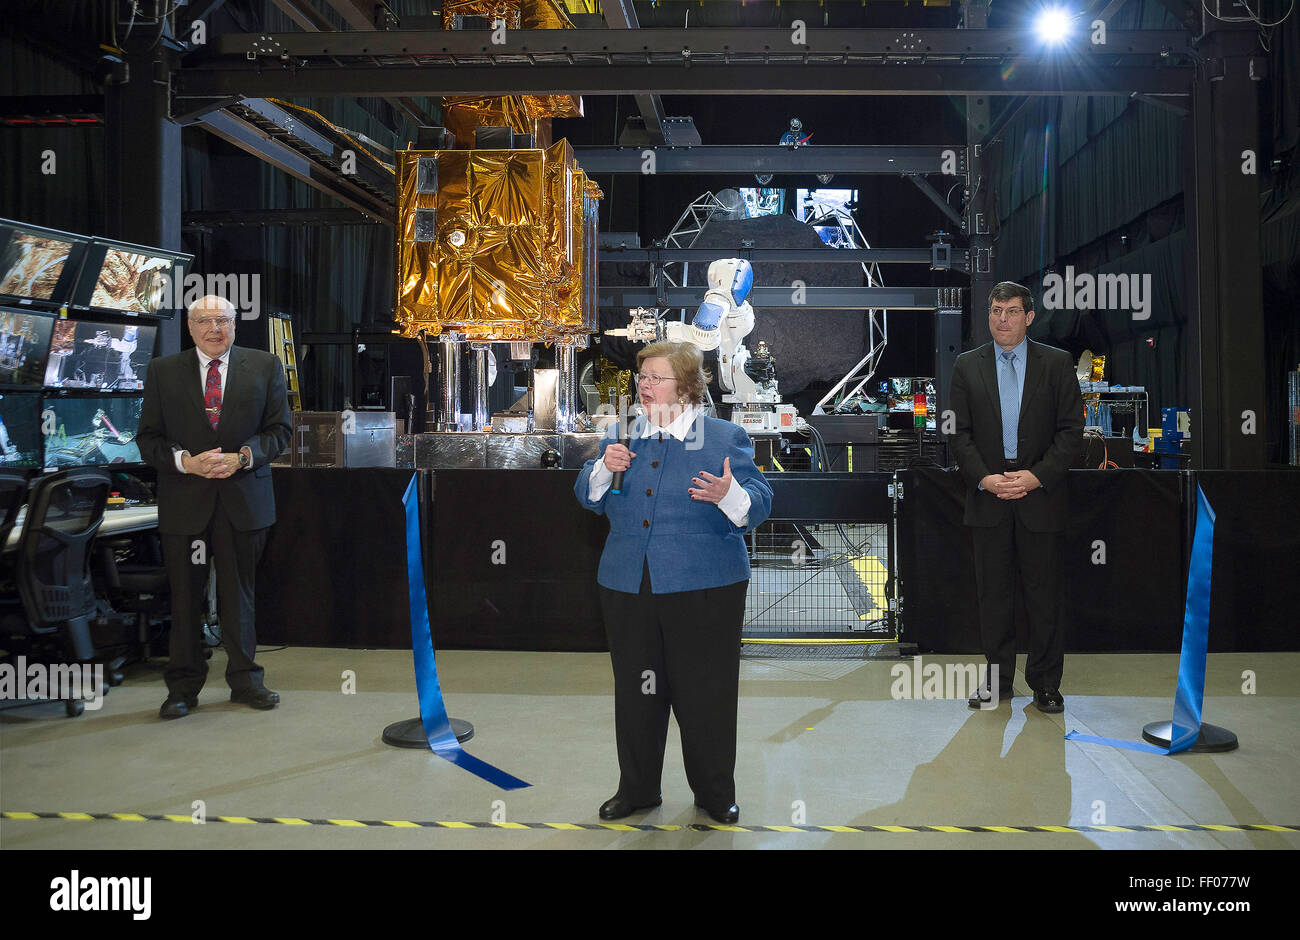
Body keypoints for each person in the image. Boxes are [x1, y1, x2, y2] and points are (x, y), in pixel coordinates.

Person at [574, 341, 773, 823]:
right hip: (627, 583)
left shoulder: (725, 437)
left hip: (705, 586)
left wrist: (730, 496)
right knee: (636, 692)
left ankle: (713, 794)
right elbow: (587, 496)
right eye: (642, 376)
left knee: (706, 692)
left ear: (685, 387)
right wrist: (603, 468)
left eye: (656, 377)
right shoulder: (621, 434)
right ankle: (638, 789)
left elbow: (762, 500)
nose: (644, 385)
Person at [138, 295, 292, 720]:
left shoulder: (264, 366)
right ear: (190, 327)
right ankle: (183, 689)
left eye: (223, 320)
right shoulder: (162, 371)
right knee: (185, 598)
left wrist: (243, 456)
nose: (214, 329)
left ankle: (246, 682)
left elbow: (281, 430)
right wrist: (184, 462)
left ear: (235, 325)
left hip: (244, 499)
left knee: (238, 595)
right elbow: (147, 438)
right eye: (204, 321)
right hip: (185, 501)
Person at [948, 282, 1084, 713]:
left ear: (1029, 317)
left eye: (1010, 311)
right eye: (994, 311)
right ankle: (997, 683)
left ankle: (1045, 684)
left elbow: (1070, 432)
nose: (1001, 319)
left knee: (1044, 598)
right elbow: (956, 432)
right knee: (993, 598)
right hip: (988, 495)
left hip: (1039, 496)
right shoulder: (967, 367)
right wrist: (985, 479)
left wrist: (1036, 476)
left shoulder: (1057, 364)